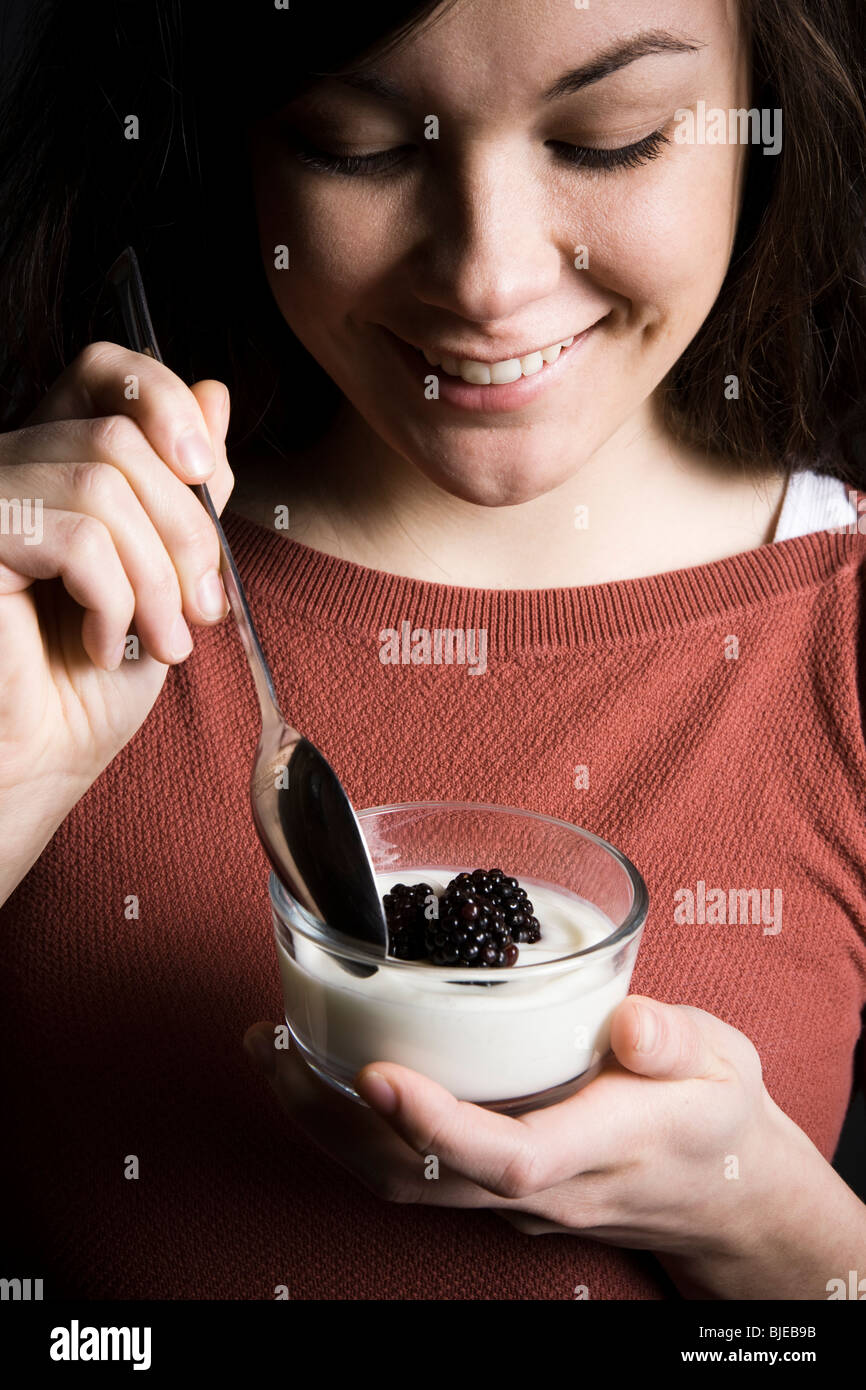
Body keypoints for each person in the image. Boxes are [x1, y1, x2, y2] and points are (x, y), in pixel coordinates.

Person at [1, 0, 865, 1300]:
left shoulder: (835, 631)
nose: (486, 278)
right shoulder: (55, 597)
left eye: (610, 138)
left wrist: (761, 1219)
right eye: (358, 147)